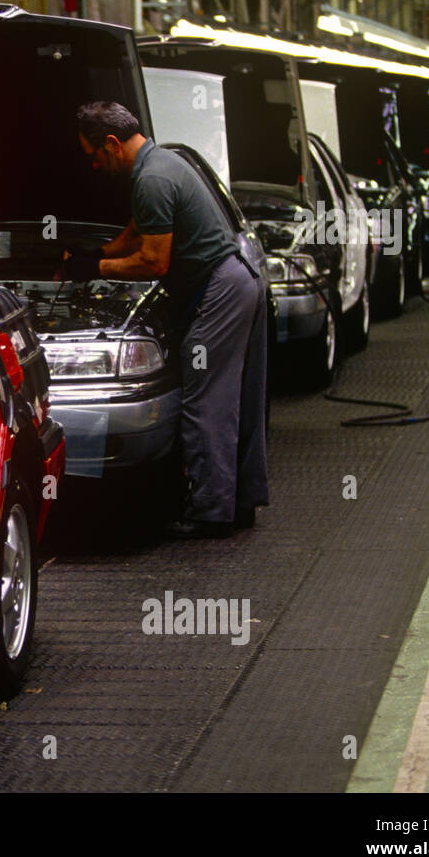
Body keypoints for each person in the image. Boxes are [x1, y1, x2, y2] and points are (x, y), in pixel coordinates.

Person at [64, 101, 269, 538]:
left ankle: (209, 514)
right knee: (238, 401)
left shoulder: (153, 178)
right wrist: (94, 254)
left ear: (113, 144)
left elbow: (154, 262)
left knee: (205, 401)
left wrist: (94, 272)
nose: (95, 165)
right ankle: (241, 501)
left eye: (95, 154)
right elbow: (135, 234)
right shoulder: (160, 164)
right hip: (236, 280)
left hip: (220, 288)